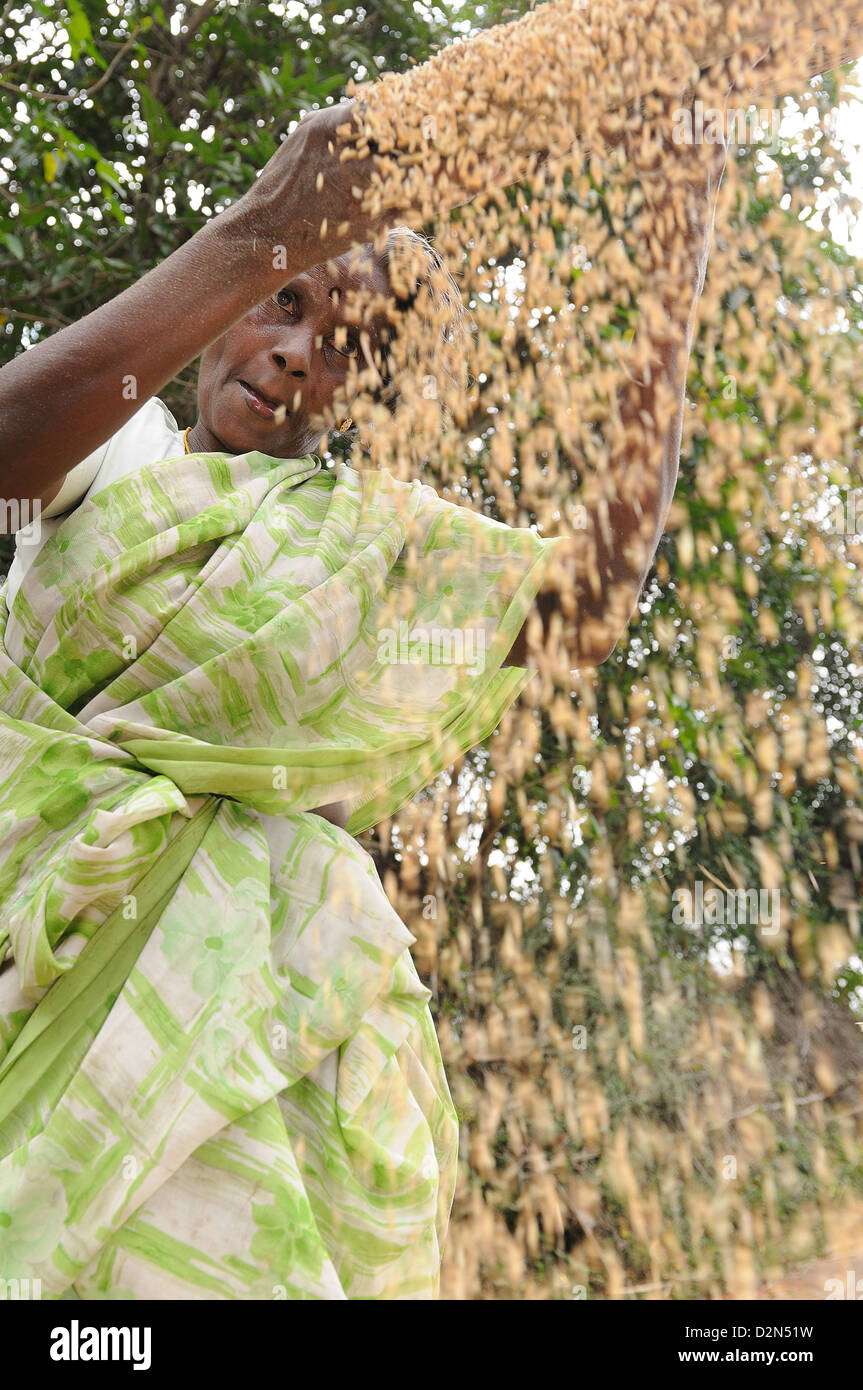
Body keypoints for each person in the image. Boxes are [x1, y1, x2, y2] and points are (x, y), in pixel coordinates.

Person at [0, 96, 725, 1298]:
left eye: (350, 342)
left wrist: (674, 264)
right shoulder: (108, 459)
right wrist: (268, 225)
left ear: (369, 393)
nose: (298, 351)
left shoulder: (373, 549)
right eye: (286, 302)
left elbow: (588, 607)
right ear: (224, 301)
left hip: (244, 1042)